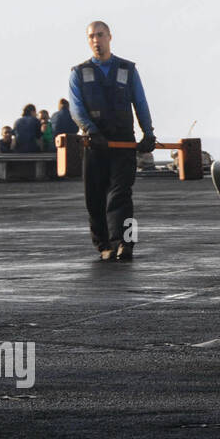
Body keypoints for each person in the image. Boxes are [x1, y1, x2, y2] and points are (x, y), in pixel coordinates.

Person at [68, 20, 155, 262]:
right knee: (94, 196)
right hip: (94, 143)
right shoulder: (78, 73)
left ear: (110, 37)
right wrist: (91, 131)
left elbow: (140, 101)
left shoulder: (127, 70)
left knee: (121, 194)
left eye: (100, 35)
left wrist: (148, 132)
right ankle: (104, 244)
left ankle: (125, 243)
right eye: (91, 36)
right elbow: (76, 109)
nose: (96, 40)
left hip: (123, 143)